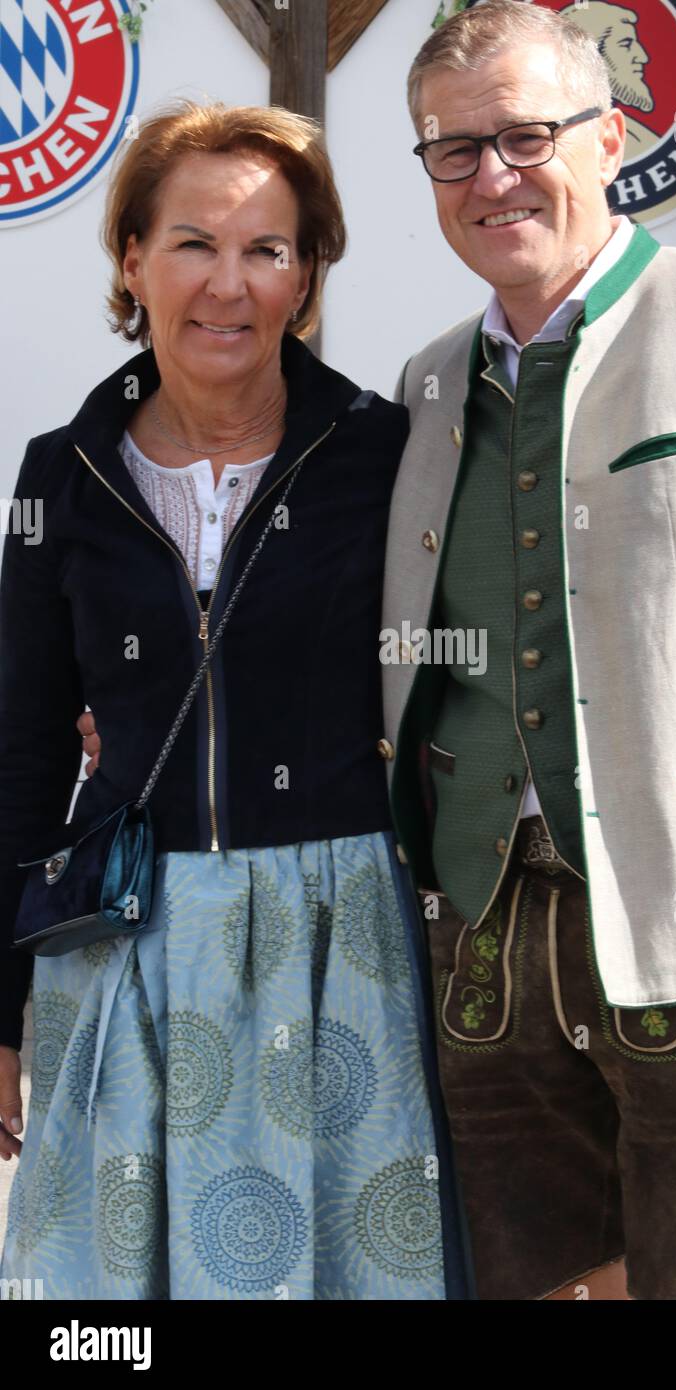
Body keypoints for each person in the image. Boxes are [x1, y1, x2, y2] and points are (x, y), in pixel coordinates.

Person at [377, 1, 676, 1300]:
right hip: (482, 956)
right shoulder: (424, 385)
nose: (492, 175)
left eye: (526, 135)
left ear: (613, 137)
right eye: (453, 149)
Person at [0, 100, 468, 1301]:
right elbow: (20, 745)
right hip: (126, 951)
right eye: (194, 243)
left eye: (269, 249)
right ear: (131, 259)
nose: (228, 283)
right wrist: (0, 1011)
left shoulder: (388, 451)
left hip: (342, 942)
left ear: (307, 275)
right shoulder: (60, 472)